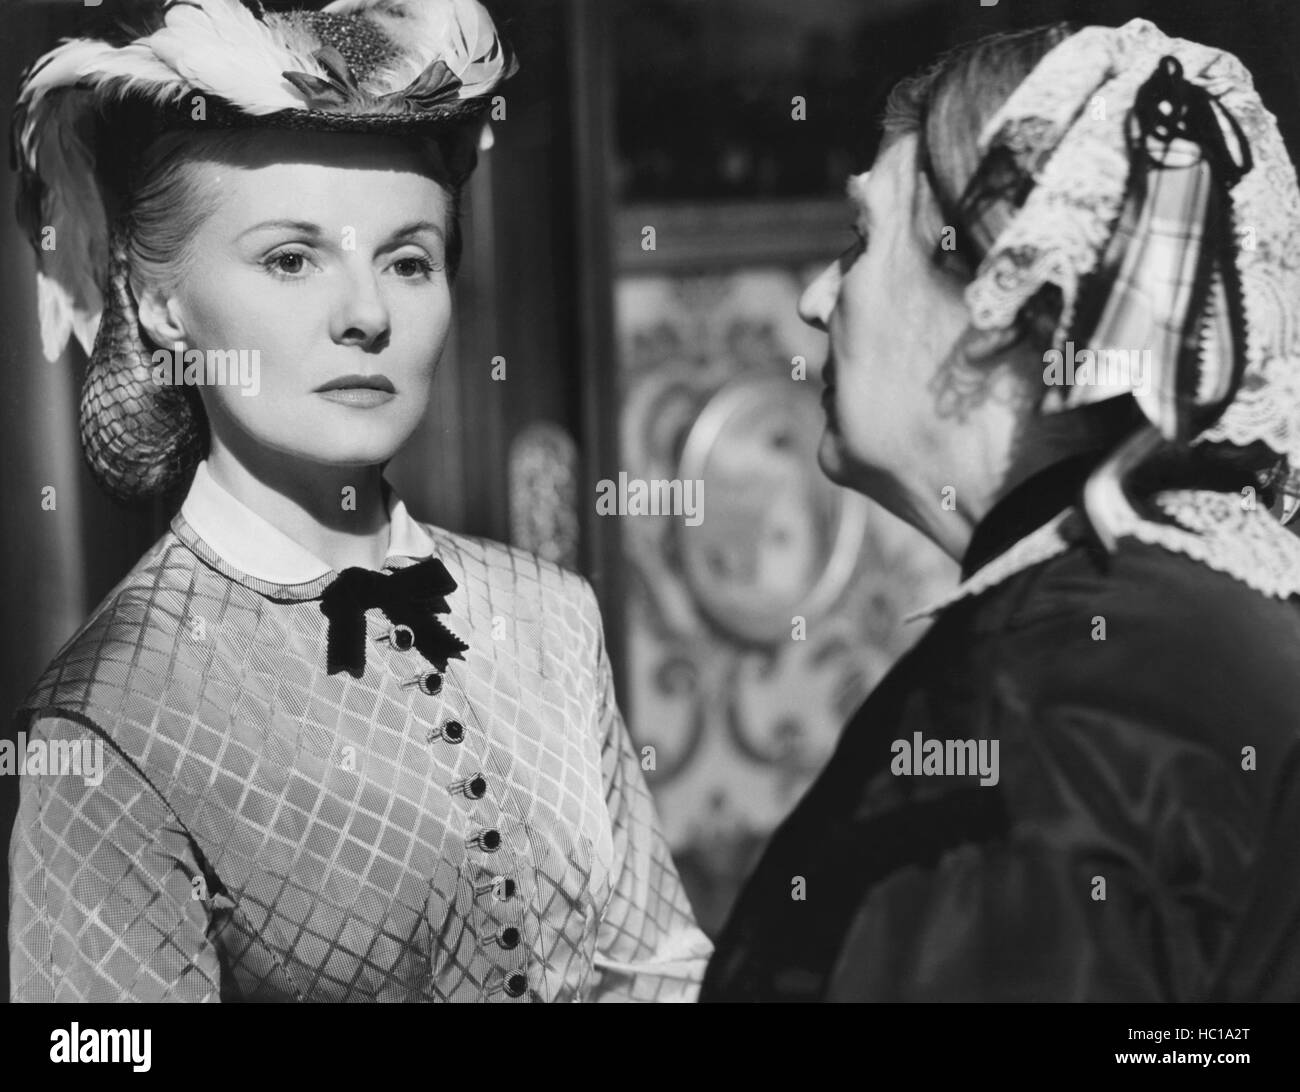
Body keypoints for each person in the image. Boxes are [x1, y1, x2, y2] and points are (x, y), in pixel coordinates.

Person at [9, 0, 709, 1003]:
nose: (368, 314)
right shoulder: (110, 724)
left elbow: (658, 974)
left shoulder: (550, 615)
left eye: (408, 260)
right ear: (161, 304)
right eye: (291, 258)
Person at [701, 18, 1300, 1002]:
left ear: (1005, 294)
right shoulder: (1221, 613)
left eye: (859, 242)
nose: (815, 299)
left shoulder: (1037, 702)